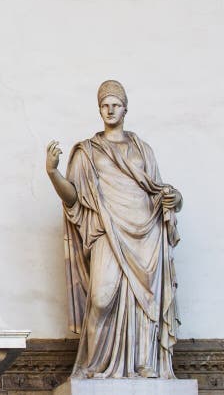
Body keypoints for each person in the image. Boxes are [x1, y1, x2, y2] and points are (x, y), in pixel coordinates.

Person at [46, 80, 182, 379]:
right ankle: (91, 365)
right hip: (108, 231)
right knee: (101, 298)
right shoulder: (88, 152)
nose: (110, 110)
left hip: (146, 233)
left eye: (115, 105)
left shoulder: (141, 149)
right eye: (104, 105)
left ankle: (145, 363)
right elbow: (74, 198)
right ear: (99, 110)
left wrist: (173, 198)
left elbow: (158, 190)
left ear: (125, 108)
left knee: (145, 301)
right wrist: (53, 172)